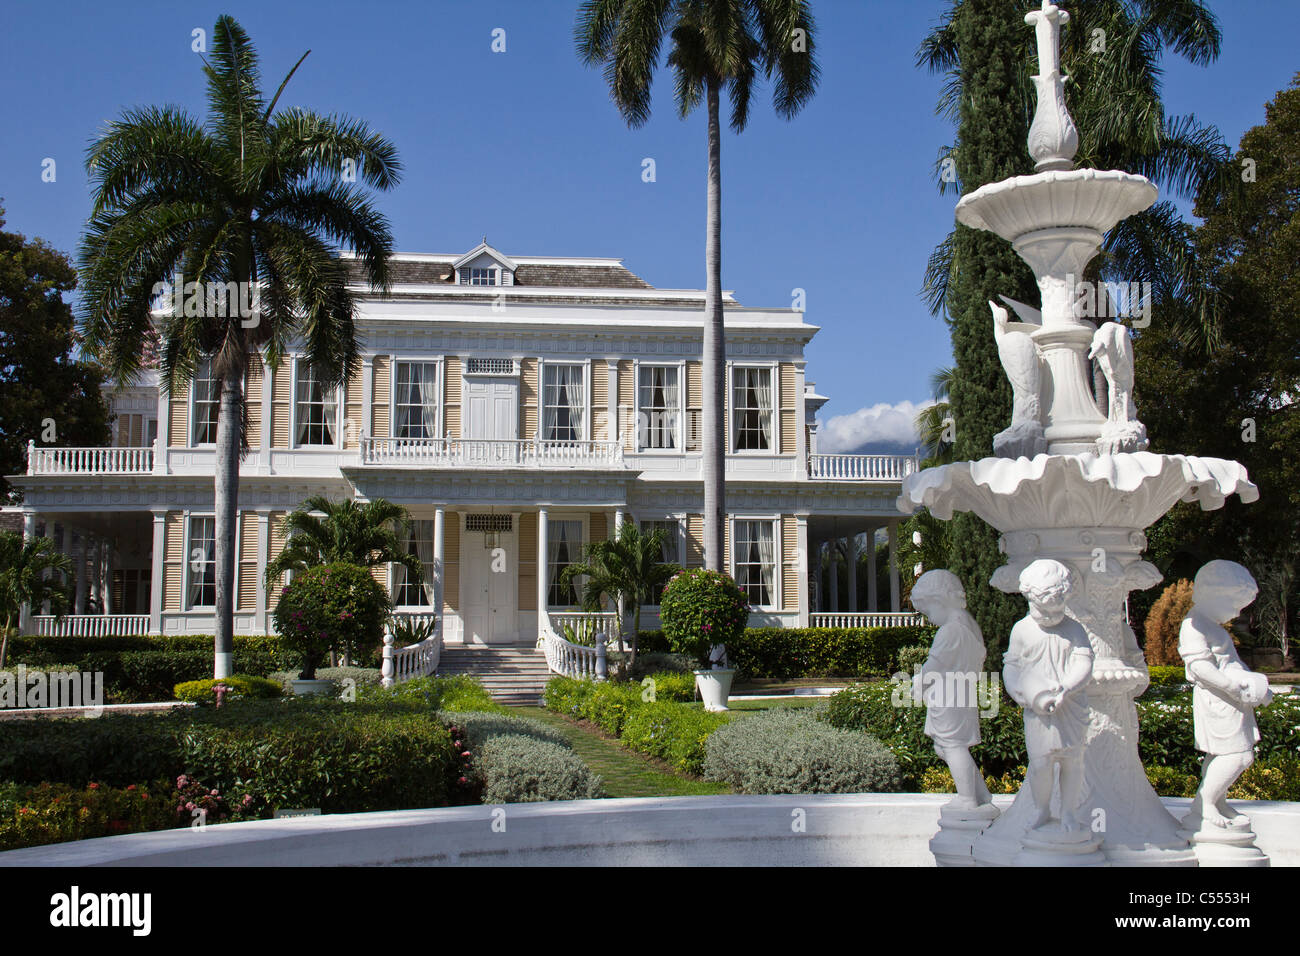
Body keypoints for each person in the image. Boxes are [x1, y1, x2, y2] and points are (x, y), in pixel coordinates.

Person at [1179, 560, 1272, 830]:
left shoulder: (1212, 626)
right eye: (1234, 605)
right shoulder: (1194, 625)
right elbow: (1199, 667)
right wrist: (1232, 687)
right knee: (1239, 756)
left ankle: (1212, 802)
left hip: (1232, 699)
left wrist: (1255, 686)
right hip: (1218, 700)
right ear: (1214, 595)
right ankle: (1207, 802)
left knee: (1221, 755)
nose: (1236, 613)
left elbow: (1231, 663)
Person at [1003, 559, 1093, 832]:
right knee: (1041, 764)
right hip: (1037, 710)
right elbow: (1012, 667)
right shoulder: (1022, 630)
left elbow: (1084, 664)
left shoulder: (1075, 629)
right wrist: (1022, 695)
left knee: (1072, 761)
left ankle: (1068, 813)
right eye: (1044, 610)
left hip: (1071, 705)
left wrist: (1066, 688)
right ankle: (1042, 809)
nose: (1051, 616)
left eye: (1057, 610)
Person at [912, 570, 992, 809]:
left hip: (950, 696)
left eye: (927, 612)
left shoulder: (950, 631)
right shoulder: (968, 624)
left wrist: (918, 684)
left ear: (939, 600)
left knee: (953, 746)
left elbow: (934, 666)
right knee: (944, 747)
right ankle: (980, 794)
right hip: (961, 692)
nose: (928, 618)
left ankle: (968, 800)